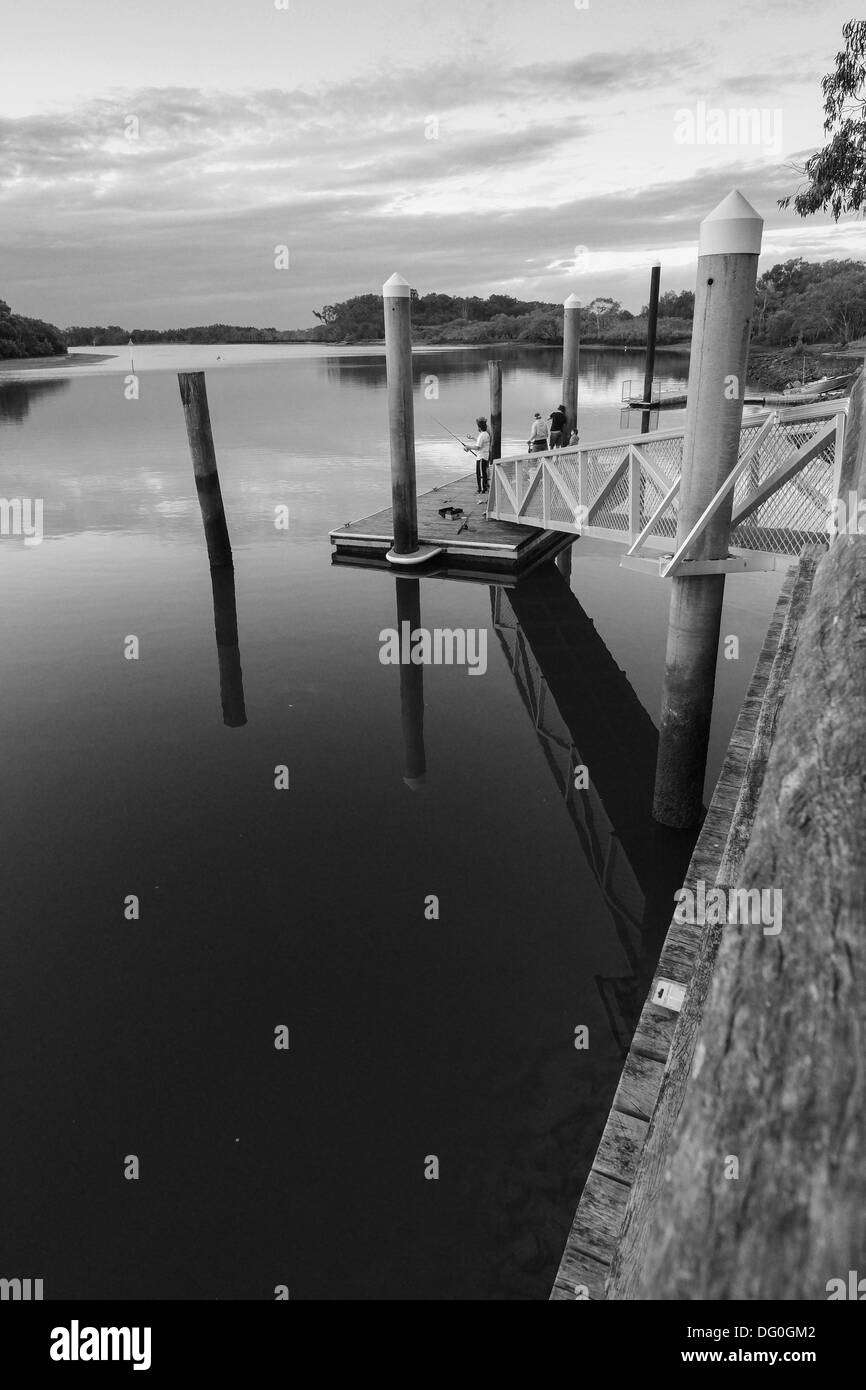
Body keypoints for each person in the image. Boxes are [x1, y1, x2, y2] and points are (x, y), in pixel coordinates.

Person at [472, 416, 491, 493]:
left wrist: (468, 447)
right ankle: (484, 487)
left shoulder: (482, 435)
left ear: (479, 426)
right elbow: (482, 443)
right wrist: (473, 438)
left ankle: (482, 489)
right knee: (483, 472)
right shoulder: (486, 434)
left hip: (481, 457)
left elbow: (477, 447)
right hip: (485, 456)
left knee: (481, 474)